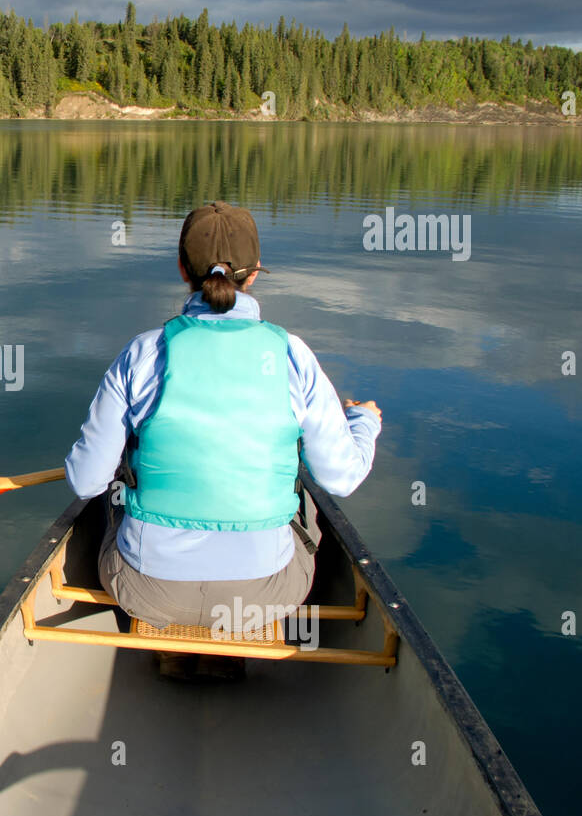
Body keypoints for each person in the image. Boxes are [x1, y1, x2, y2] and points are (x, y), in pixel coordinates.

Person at [64, 201, 382, 679]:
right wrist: (363, 423)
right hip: (267, 593)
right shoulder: (293, 355)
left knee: (111, 494)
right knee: (309, 497)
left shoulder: (142, 352)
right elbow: (342, 477)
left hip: (146, 590)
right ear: (254, 274)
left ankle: (176, 642)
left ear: (181, 269)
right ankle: (230, 643)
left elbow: (85, 482)